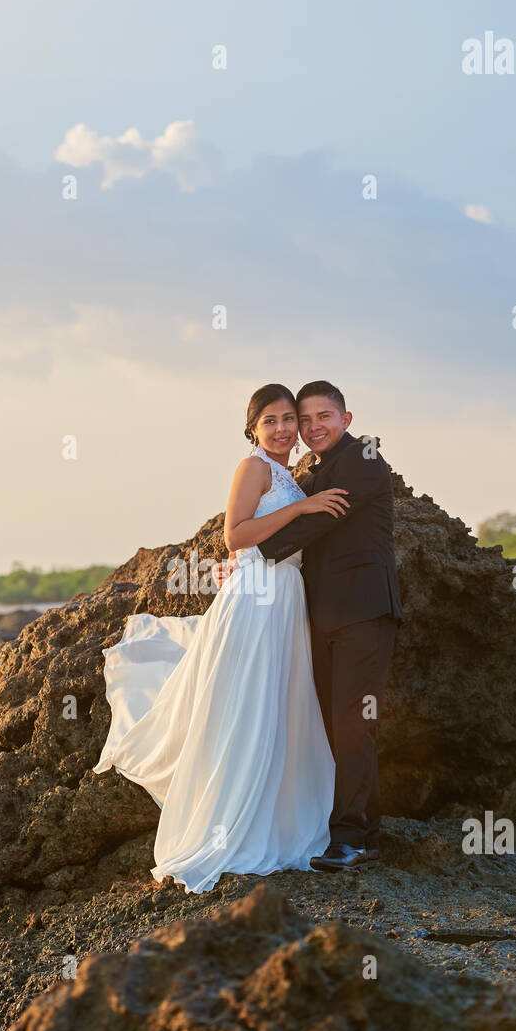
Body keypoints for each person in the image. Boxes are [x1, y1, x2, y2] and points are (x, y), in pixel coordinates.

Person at [93, 383, 347, 893]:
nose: (282, 429)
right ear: (253, 429)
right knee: (247, 707)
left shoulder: (289, 474)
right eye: (269, 421)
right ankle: (228, 828)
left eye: (287, 420)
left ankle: (273, 823)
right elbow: (235, 535)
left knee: (277, 709)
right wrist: (302, 509)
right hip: (256, 600)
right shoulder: (253, 468)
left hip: (283, 596)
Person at [256, 380, 402, 870]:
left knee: (354, 724)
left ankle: (351, 840)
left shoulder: (362, 456)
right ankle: (367, 835)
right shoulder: (311, 474)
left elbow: (322, 521)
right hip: (320, 614)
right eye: (306, 418)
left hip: (363, 610)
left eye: (324, 416)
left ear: (347, 420)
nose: (314, 426)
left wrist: (252, 554)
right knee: (335, 727)